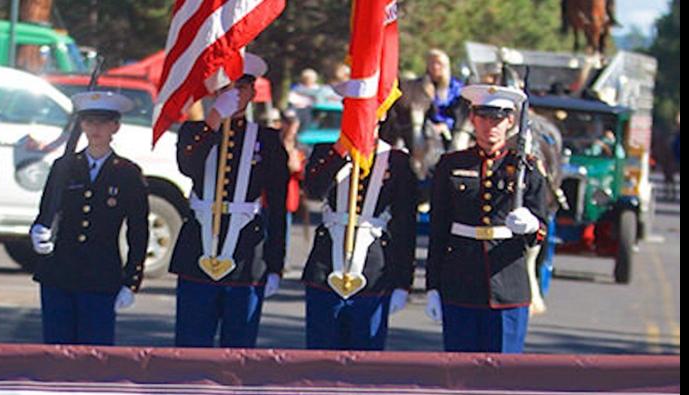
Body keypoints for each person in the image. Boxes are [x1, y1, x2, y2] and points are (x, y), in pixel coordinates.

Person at [171, 52, 288, 348]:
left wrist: (275, 264)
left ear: (252, 93)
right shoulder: (194, 132)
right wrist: (213, 119)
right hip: (198, 249)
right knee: (191, 345)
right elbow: (189, 166)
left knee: (239, 349)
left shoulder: (267, 140)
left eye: (240, 88)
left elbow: (277, 205)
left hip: (246, 253)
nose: (232, 95)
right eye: (225, 87)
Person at [423, 83, 548, 354]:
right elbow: (438, 230)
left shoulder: (526, 167)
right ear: (472, 118)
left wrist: (531, 225)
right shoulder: (451, 165)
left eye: (498, 119)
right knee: (460, 369)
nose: (490, 126)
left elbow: (542, 230)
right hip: (460, 283)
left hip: (508, 284)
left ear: (510, 122)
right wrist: (432, 286)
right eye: (483, 117)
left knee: (504, 371)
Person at [27, 90, 150, 346]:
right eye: (89, 121)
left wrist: (131, 281)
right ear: (81, 125)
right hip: (59, 272)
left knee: (95, 354)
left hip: (100, 275)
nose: (96, 129)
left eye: (103, 122)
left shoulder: (127, 173)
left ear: (115, 126)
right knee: (57, 350)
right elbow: (47, 210)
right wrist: (38, 231)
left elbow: (138, 231)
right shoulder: (64, 166)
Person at [299, 136, 418, 351]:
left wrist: (403, 282)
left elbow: (405, 225)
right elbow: (314, 190)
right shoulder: (326, 151)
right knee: (321, 355)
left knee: (366, 358)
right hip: (325, 266)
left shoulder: (396, 161)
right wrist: (338, 153)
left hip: (373, 270)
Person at [422, 50, 465, 138]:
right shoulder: (419, 85)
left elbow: (459, 113)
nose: (435, 67)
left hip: (450, 130)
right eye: (432, 63)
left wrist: (446, 125)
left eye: (439, 63)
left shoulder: (455, 86)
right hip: (424, 129)